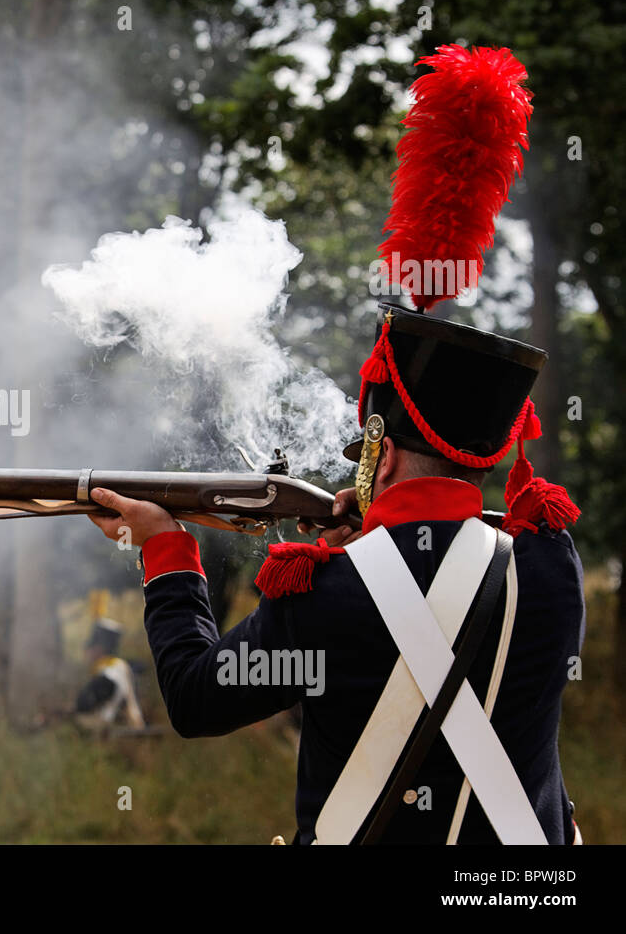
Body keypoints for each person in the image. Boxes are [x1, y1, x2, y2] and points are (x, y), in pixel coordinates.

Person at [86, 44, 585, 844]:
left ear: (380, 449)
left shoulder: (325, 595)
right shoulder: (550, 572)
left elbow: (193, 697)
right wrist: (375, 542)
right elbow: (445, 584)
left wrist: (166, 551)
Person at [74, 618, 146, 733]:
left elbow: (102, 707)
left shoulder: (112, 670)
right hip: (122, 728)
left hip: (119, 732)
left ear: (99, 648)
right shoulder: (115, 666)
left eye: (90, 648)